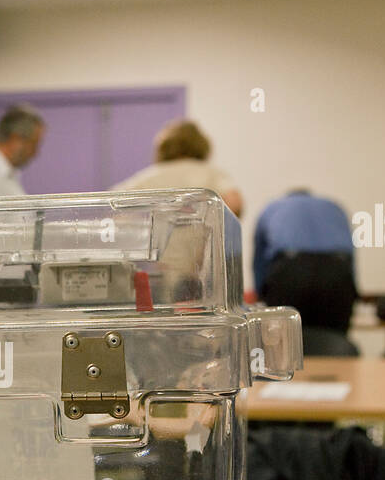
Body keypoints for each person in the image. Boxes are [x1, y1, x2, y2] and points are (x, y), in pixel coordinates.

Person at [253, 189, 358, 338]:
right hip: (337, 274)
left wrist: (261, 295)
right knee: (335, 338)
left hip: (290, 272)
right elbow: (350, 257)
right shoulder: (334, 207)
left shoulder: (272, 207)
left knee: (285, 341)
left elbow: (259, 262)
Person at [112, 119, 243, 217]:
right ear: (202, 145)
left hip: (161, 246)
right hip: (203, 245)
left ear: (164, 146)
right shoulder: (211, 173)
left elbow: (111, 204)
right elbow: (235, 203)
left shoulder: (152, 175)